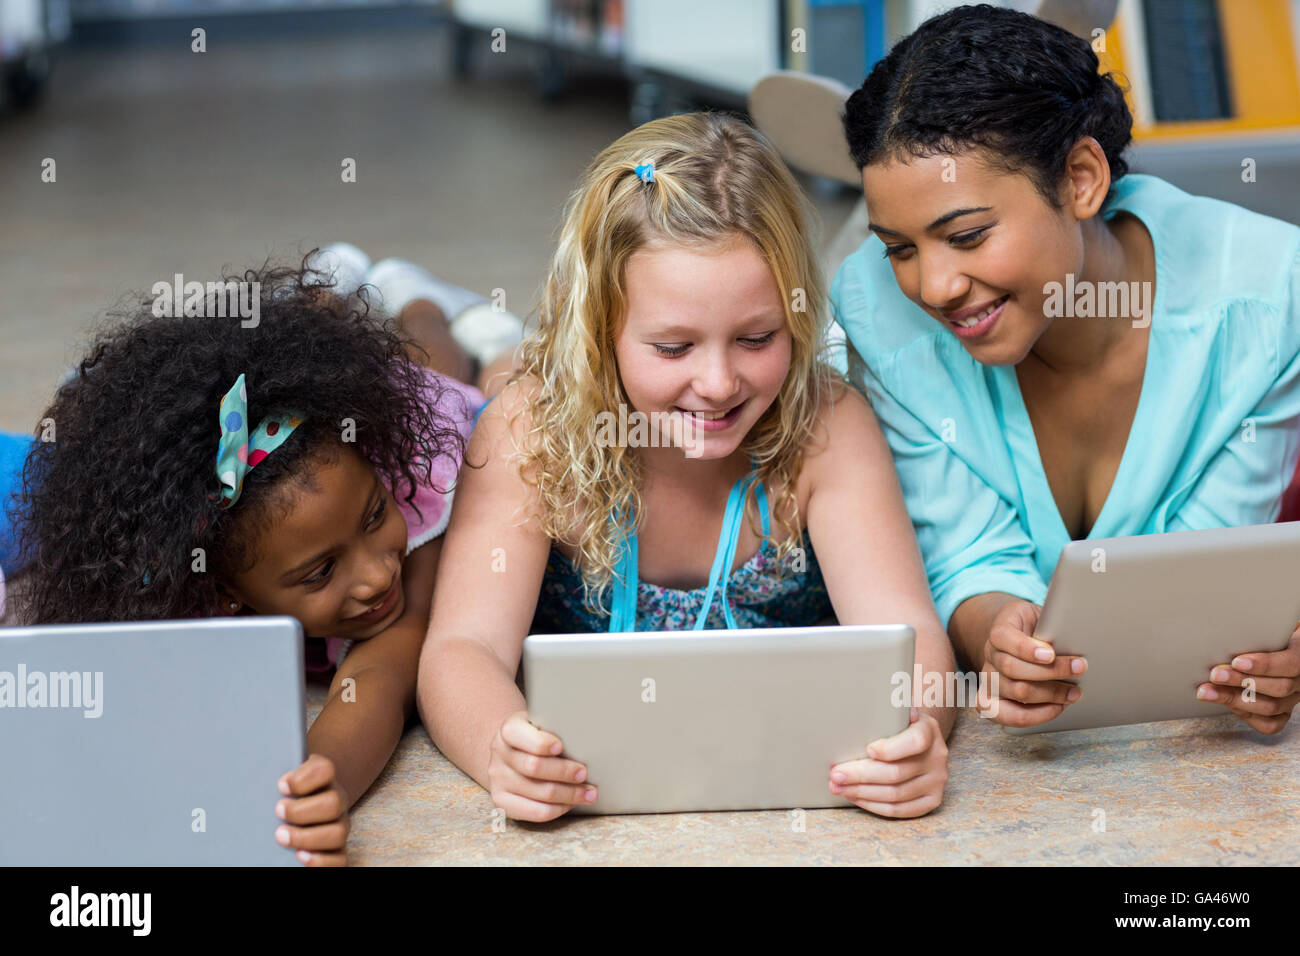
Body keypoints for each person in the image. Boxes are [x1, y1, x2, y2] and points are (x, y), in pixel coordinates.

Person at [419, 112, 957, 823]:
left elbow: (911, 635)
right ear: (598, 329)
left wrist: (917, 733)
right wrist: (499, 746)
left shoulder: (827, 425)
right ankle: (442, 311)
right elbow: (462, 645)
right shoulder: (529, 433)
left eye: (756, 337)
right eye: (673, 347)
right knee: (458, 378)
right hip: (532, 390)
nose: (718, 382)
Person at [833, 3, 1300, 732]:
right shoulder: (877, 307)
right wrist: (999, 638)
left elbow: (1212, 572)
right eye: (900, 248)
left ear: (1082, 178)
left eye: (967, 234)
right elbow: (963, 553)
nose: (934, 287)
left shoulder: (1268, 298)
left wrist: (1250, 661)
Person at [5, 256, 513, 863]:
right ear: (224, 591)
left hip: (430, 418)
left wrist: (323, 779)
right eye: (321, 571)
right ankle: (334, 290)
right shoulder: (183, 573)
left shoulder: (411, 513)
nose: (380, 573)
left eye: (375, 517)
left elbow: (381, 677)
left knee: (436, 371)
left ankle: (418, 299)